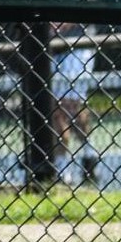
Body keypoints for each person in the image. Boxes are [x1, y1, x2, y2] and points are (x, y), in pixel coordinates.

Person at [50, 22, 99, 186]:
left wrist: (64, 22)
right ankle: (87, 156)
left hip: (78, 46)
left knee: (67, 106)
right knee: (59, 108)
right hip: (51, 48)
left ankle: (64, 171)